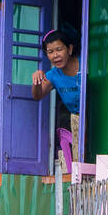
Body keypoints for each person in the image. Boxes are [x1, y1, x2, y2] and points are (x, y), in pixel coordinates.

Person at [31, 25, 83, 158]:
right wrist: (36, 81)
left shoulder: (85, 64)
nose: (55, 56)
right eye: (50, 52)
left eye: (59, 49)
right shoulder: (53, 75)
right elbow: (37, 95)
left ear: (69, 49)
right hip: (77, 119)